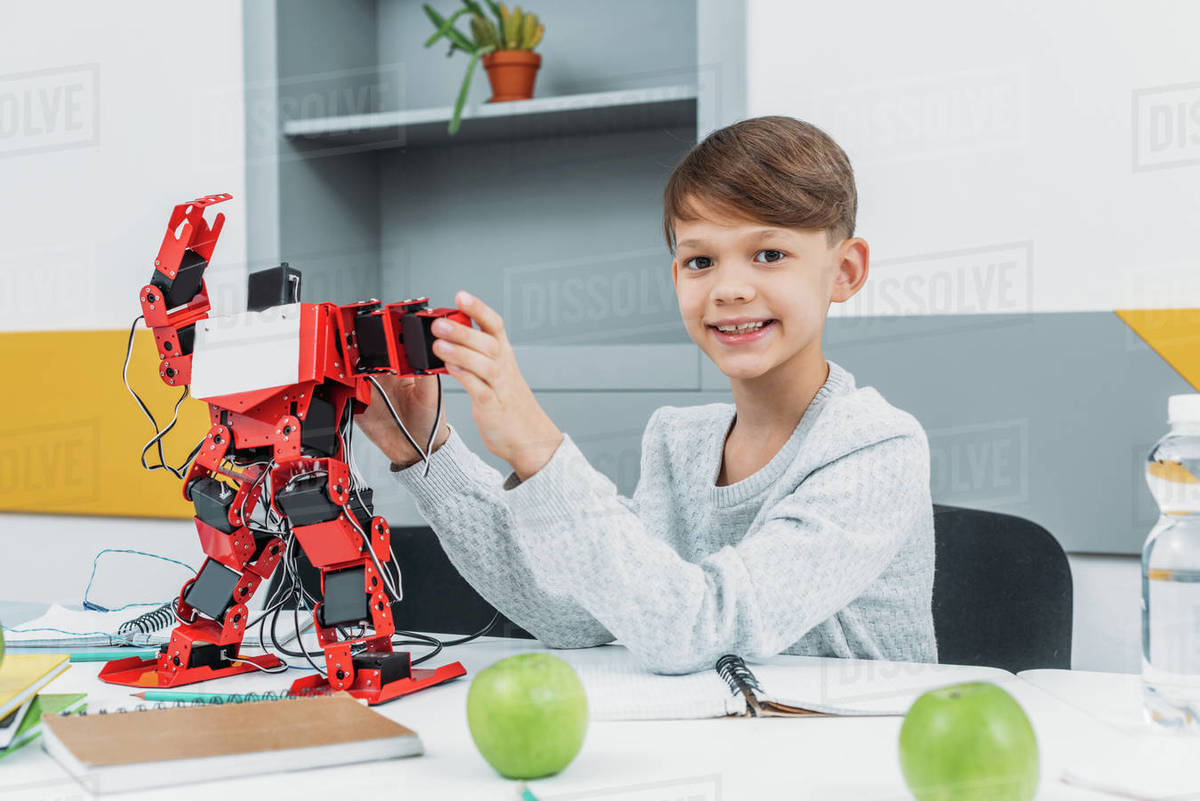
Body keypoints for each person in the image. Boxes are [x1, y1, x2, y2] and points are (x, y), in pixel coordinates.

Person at [356, 116, 937, 675]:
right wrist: (425, 450)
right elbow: (572, 611)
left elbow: (700, 626)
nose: (730, 289)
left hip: (860, 755)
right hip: (727, 747)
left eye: (769, 254)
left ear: (845, 270)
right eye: (700, 261)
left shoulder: (877, 447)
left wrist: (536, 446)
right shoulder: (678, 442)